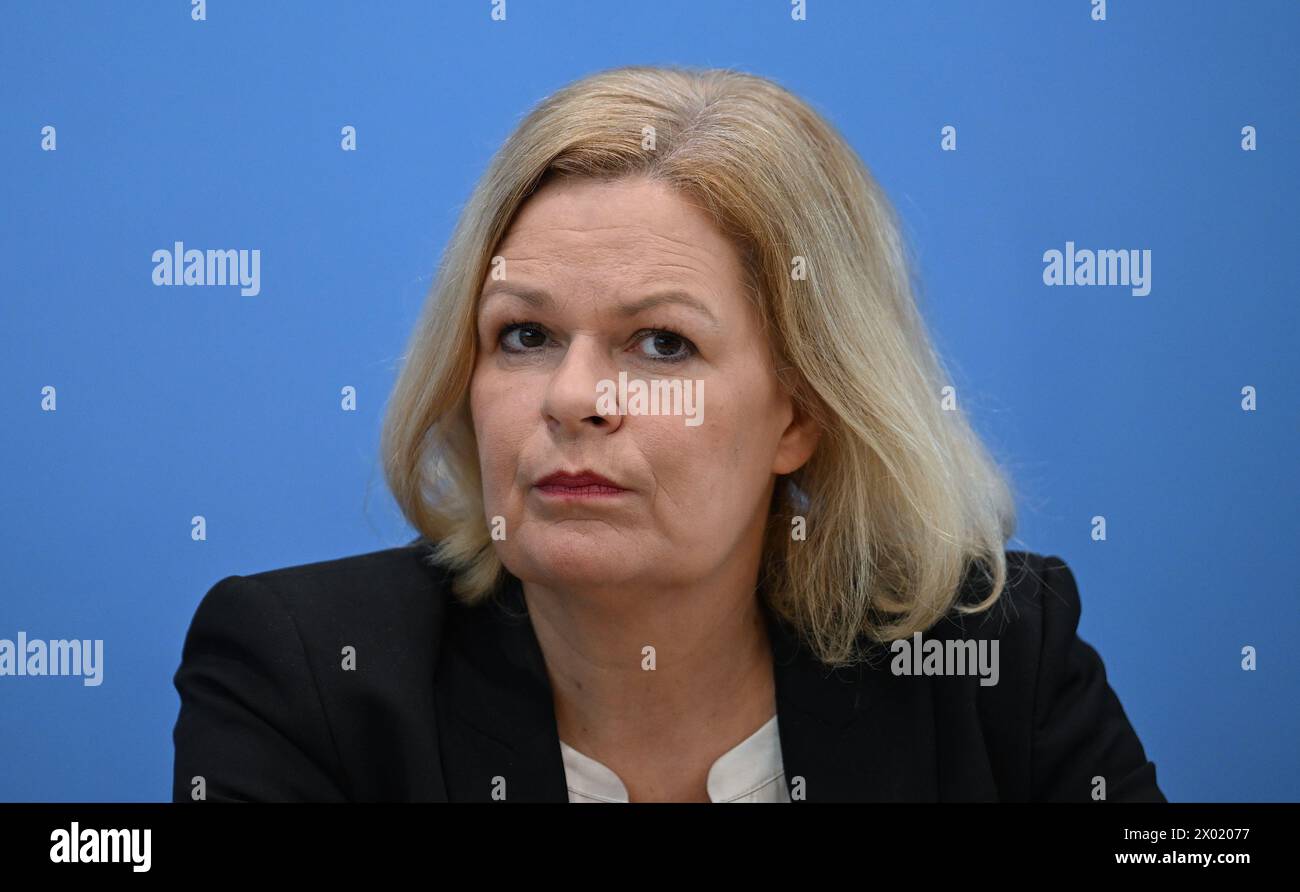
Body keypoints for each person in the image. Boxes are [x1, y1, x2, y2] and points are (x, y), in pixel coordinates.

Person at [172, 65, 1165, 803]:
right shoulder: (306, 676)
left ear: (800, 410)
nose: (573, 398)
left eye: (660, 343)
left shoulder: (990, 662)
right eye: (524, 335)